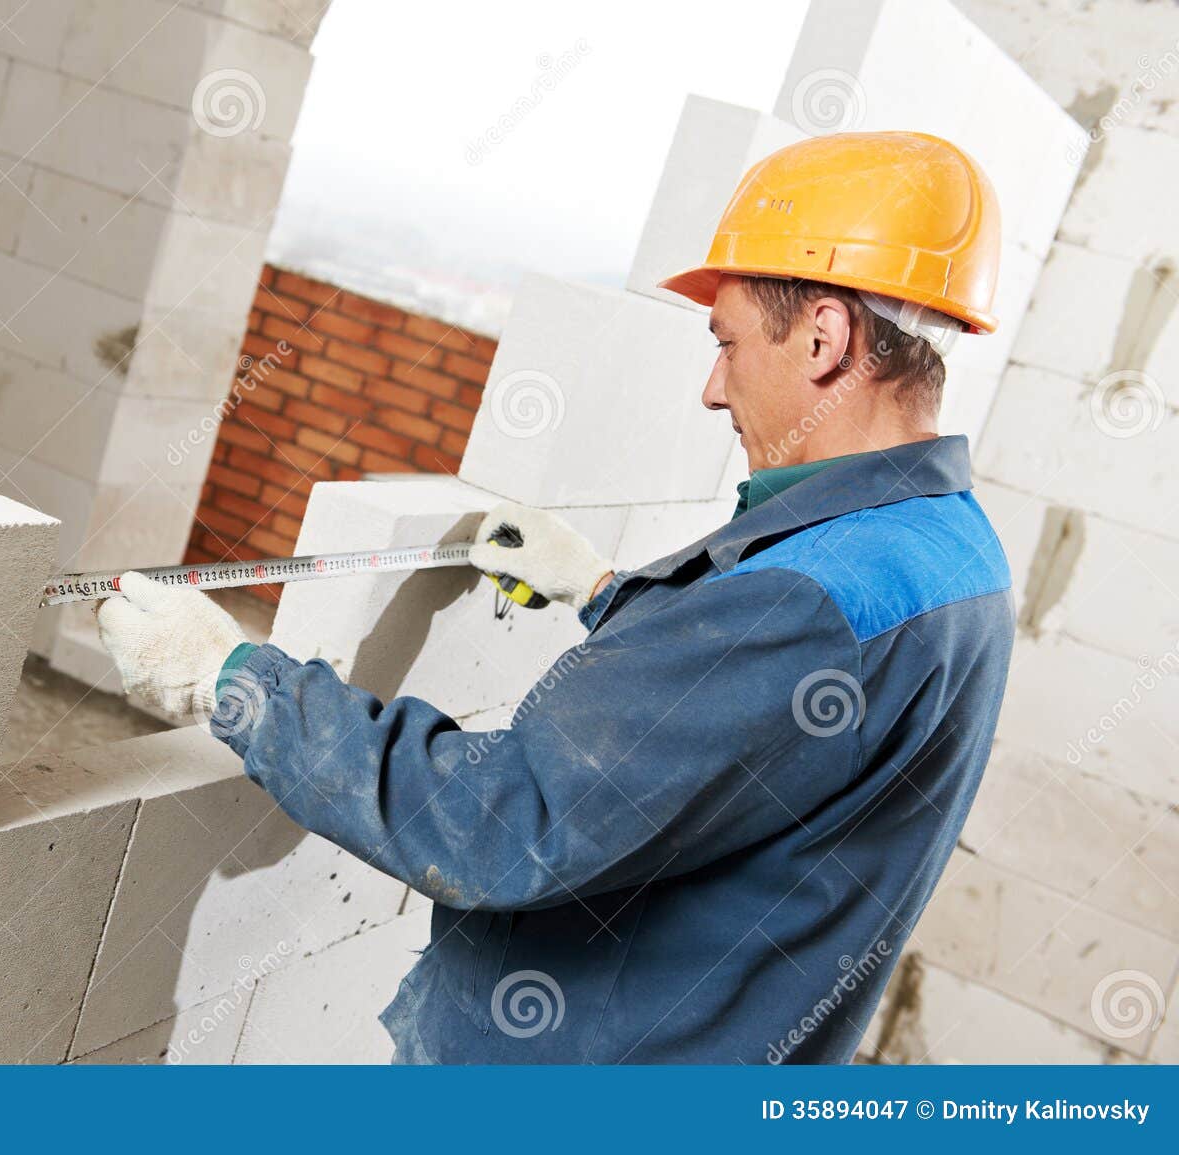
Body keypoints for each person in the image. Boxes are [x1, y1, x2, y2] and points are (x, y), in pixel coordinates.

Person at [95, 131, 1013, 1063]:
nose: (711, 389)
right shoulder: (952, 552)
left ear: (824, 337)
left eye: (727, 344)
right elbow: (757, 741)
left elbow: (501, 822)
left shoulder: (808, 601)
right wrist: (611, 593)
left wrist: (233, 680)